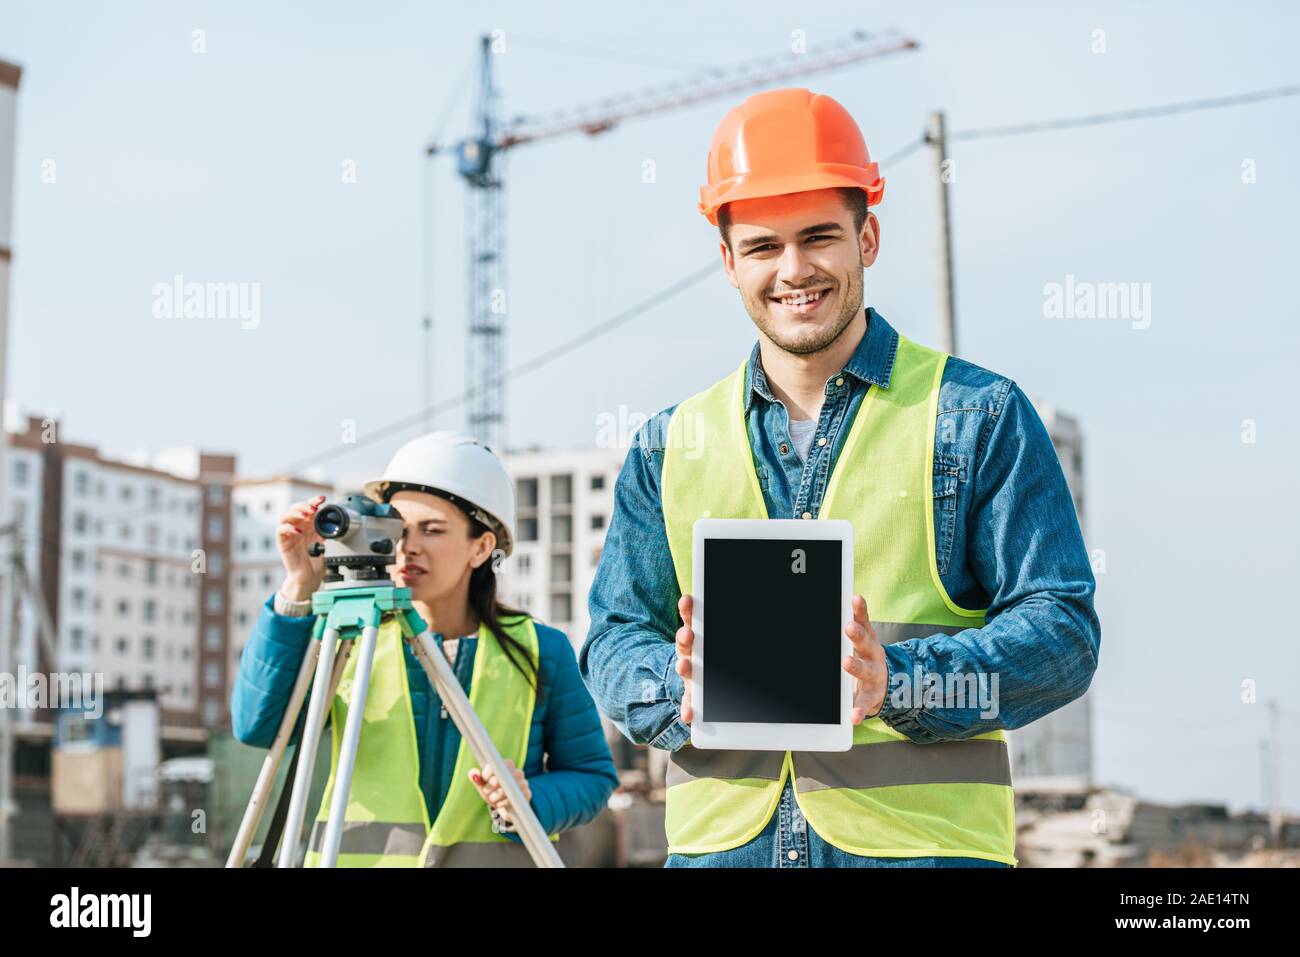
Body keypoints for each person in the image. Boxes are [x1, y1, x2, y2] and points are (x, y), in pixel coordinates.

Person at [581, 88, 1101, 868]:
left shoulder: (976, 415)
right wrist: (675, 692)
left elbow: (1062, 633)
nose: (794, 270)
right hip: (724, 853)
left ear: (869, 236)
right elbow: (616, 636)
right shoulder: (668, 444)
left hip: (921, 853)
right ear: (728, 261)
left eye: (819, 236)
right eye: (762, 246)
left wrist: (898, 681)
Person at [231, 431, 618, 866]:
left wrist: (531, 798)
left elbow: (592, 776)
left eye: (432, 530)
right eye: (397, 529)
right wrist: (300, 585)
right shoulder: (351, 637)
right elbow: (259, 727)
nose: (406, 547)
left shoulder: (540, 649)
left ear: (481, 547)